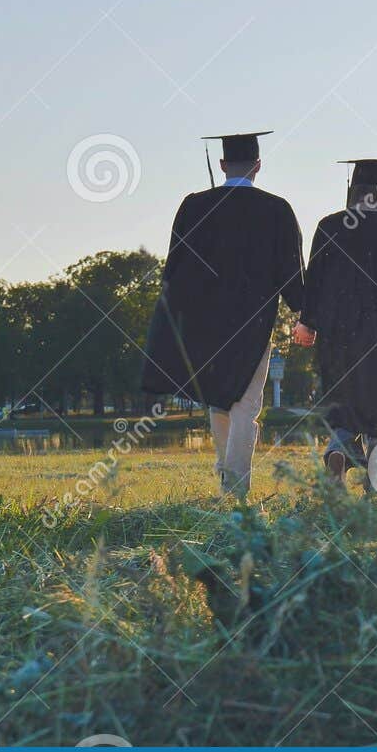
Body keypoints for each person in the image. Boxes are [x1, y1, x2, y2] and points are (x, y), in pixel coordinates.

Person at [142, 130, 304, 498]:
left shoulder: (195, 206)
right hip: (254, 321)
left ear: (221, 164)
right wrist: (304, 312)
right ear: (258, 166)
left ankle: (226, 474)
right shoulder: (277, 209)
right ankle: (235, 486)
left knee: (218, 398)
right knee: (246, 405)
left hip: (205, 323)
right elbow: (291, 270)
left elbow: (176, 265)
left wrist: (174, 317)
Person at [298, 159, 377, 482]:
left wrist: (307, 322)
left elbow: (315, 280)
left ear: (351, 191)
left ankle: (338, 448)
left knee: (344, 403)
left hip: (338, 337)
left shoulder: (329, 226)